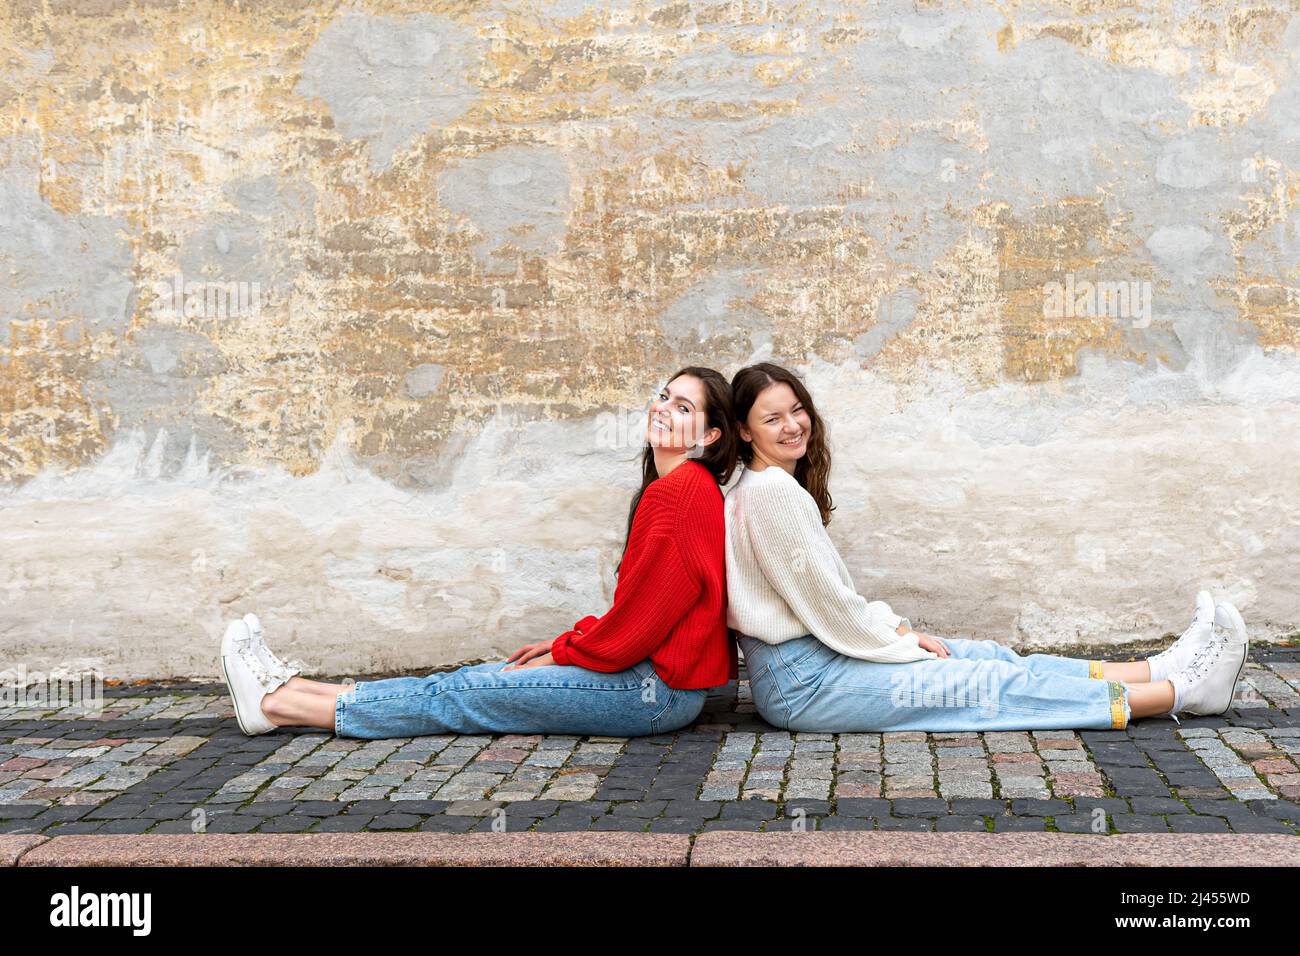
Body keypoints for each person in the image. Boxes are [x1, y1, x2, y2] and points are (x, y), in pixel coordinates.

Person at [724, 361, 1250, 733]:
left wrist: (899, 630)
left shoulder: (771, 487)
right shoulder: (771, 495)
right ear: (745, 432)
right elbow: (826, 604)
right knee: (984, 684)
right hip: (806, 683)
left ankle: (1159, 669)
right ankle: (1181, 694)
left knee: (986, 657)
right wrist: (899, 640)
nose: (793, 426)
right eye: (772, 419)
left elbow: (826, 597)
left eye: (796, 410)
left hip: (817, 663)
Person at [218, 366, 739, 738]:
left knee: (468, 695)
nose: (664, 409)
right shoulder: (672, 488)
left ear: (710, 435)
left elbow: (639, 626)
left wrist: (566, 649)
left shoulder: (684, 491)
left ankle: (281, 704)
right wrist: (571, 642)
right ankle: (292, 693)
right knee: (474, 681)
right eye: (665, 396)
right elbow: (641, 615)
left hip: (652, 693)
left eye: (684, 407)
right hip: (648, 683)